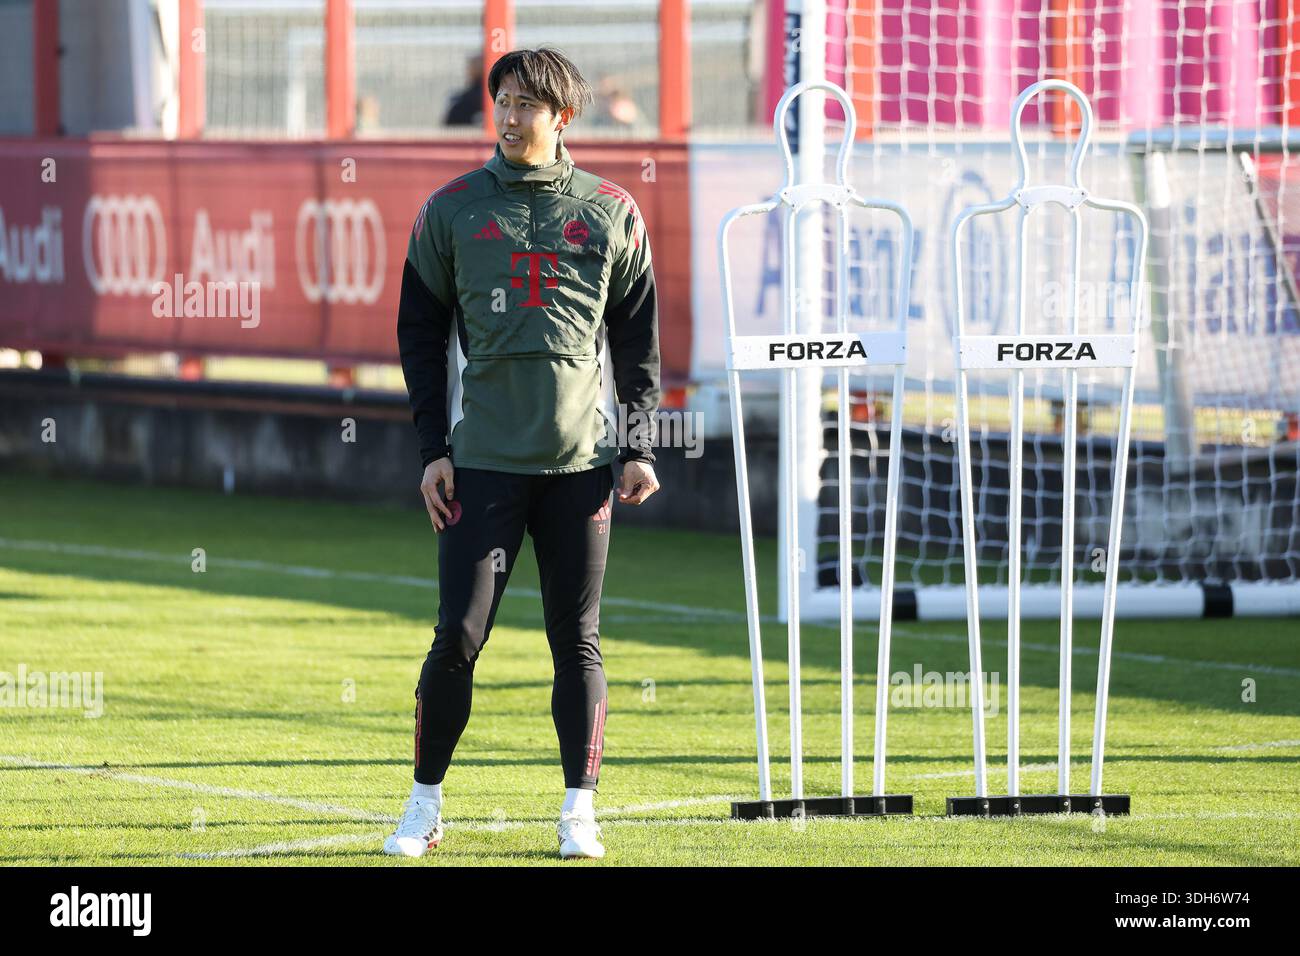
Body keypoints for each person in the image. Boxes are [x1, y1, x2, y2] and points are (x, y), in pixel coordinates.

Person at [386, 47, 661, 860]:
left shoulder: (610, 211)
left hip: (581, 470)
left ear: (561, 117)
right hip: (482, 467)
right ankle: (423, 806)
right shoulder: (452, 210)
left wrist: (639, 444)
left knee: (576, 642)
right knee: (457, 637)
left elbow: (638, 342)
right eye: (501, 102)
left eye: (526, 106)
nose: (509, 118)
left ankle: (579, 811)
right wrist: (433, 449)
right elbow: (420, 335)